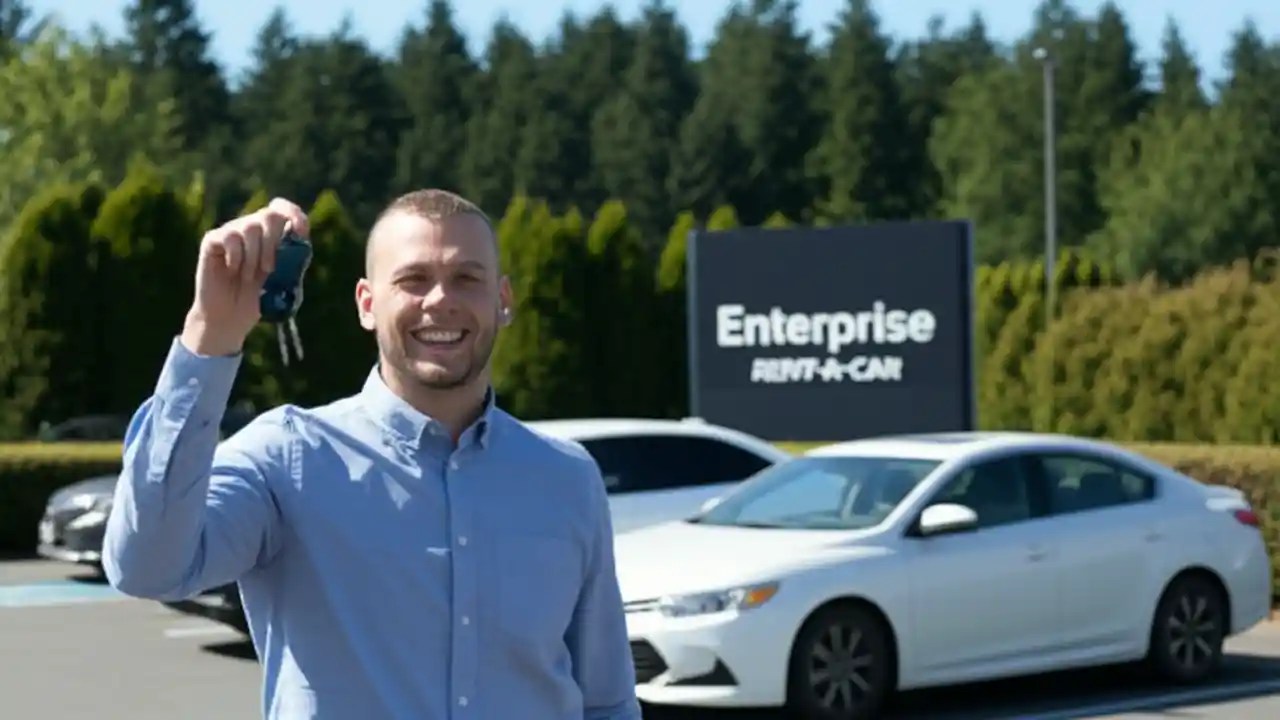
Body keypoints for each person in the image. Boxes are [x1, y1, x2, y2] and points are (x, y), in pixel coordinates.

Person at [102, 191, 642, 720]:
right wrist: (210, 334)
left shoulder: (567, 478)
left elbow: (607, 700)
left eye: (466, 279)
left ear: (502, 301)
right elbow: (146, 567)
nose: (439, 300)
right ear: (367, 304)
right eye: (413, 279)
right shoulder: (287, 459)